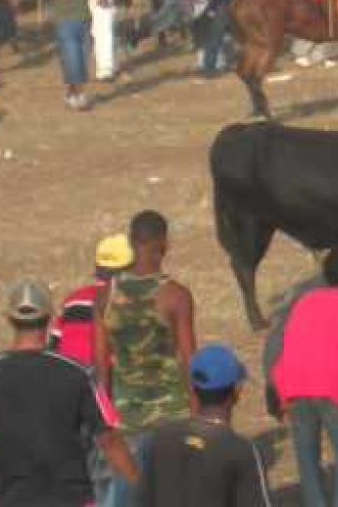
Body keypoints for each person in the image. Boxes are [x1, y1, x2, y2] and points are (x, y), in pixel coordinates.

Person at [0, 278, 138, 507]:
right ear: (50, 318)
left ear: (9, 319)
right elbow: (109, 439)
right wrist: (139, 488)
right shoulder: (79, 373)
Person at [266, 247, 338, 507]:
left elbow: (276, 346)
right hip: (335, 390)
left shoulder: (304, 300)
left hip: (294, 387)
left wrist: (276, 391)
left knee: (307, 463)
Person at [94, 210, 196, 507]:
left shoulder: (105, 298)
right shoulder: (175, 296)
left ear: (130, 242)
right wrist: (202, 421)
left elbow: (101, 370)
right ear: (163, 245)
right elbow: (191, 363)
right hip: (173, 419)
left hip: (125, 421)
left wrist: (105, 425)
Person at [142, 345, 272, 507]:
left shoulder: (159, 438)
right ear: (237, 391)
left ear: (192, 388)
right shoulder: (242, 451)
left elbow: (142, 499)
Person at [50, 234, 134, 368]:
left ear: (97, 268)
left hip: (68, 376)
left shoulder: (72, 301)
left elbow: (53, 347)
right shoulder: (130, 302)